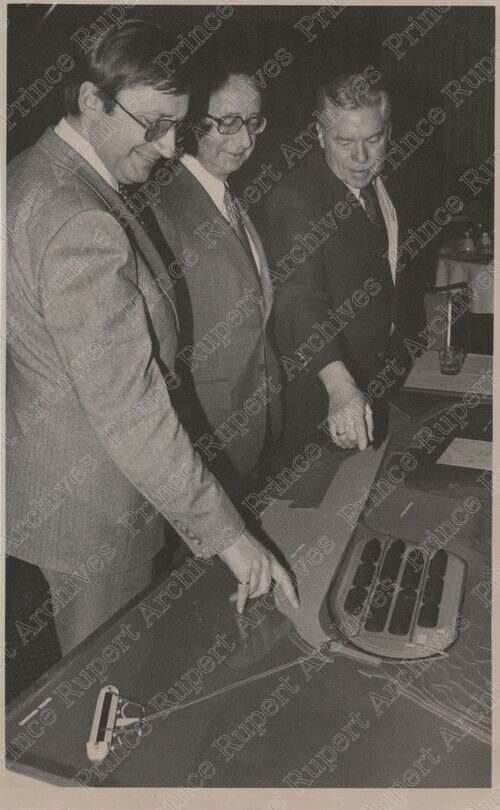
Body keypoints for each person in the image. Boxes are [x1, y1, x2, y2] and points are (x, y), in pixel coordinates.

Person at [6, 21, 296, 657]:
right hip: (98, 515)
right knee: (105, 704)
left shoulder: (28, 173)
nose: (168, 147)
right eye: (155, 124)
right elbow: (129, 407)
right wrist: (229, 534)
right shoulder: (82, 217)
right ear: (91, 101)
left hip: (55, 493)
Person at [263, 73, 427, 454]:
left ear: (388, 131)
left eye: (372, 140)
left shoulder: (395, 180)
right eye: (344, 142)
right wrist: (338, 383)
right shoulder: (294, 198)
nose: (361, 157)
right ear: (320, 134)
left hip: (388, 382)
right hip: (325, 400)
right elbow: (300, 298)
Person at [157, 54, 282, 505]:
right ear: (192, 122)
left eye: (252, 122)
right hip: (204, 436)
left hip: (258, 424)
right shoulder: (162, 206)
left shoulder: (233, 197)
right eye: (228, 122)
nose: (245, 139)